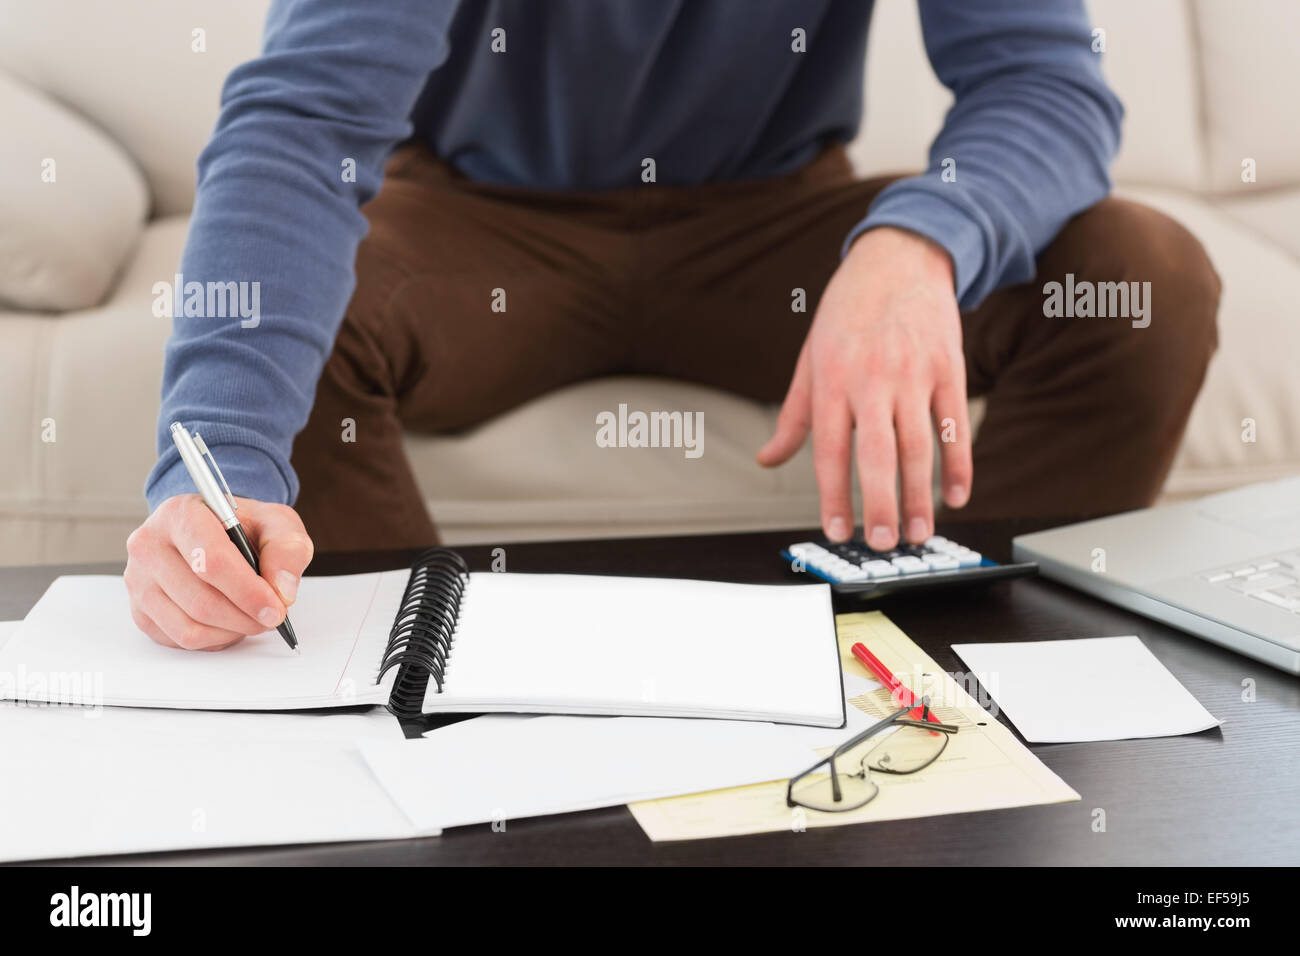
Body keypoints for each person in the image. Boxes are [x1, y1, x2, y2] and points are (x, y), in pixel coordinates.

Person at [124, 0, 1220, 651]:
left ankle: (945, 680)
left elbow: (1044, 84)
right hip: (478, 221)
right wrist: (211, 467)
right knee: (286, 340)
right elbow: (306, 122)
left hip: (773, 221)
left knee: (1141, 281)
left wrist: (919, 244)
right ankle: (425, 704)